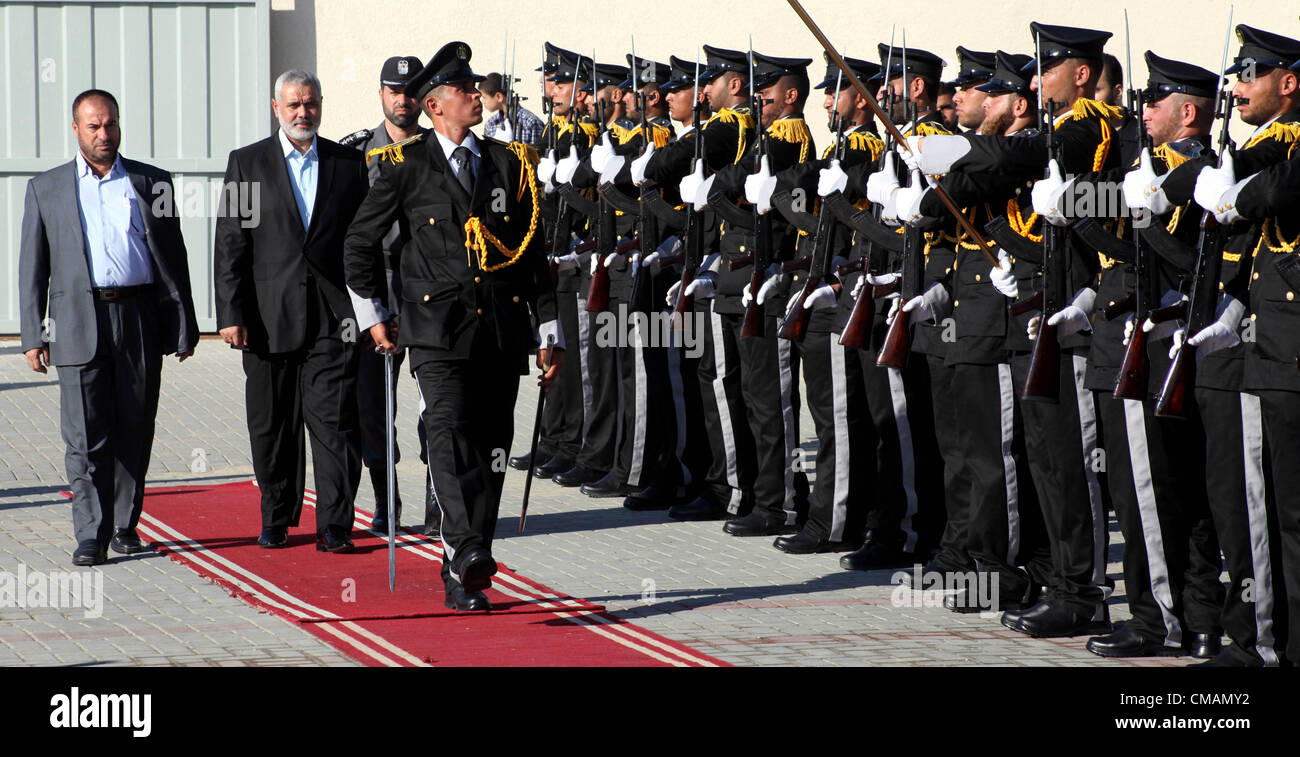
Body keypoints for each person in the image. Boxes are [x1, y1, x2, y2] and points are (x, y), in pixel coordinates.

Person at [344, 41, 563, 613]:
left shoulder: (509, 163)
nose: (476, 96)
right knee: (445, 433)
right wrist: (374, 317)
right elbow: (360, 244)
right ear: (436, 105)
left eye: (474, 89)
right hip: (434, 330)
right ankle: (464, 545)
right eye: (466, 90)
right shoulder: (403, 166)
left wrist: (549, 331)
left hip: (501, 330)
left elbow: (532, 255)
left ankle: (468, 566)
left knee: (492, 446)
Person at [19, 89, 200, 566]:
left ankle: (124, 525)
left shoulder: (150, 182)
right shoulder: (47, 188)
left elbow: (173, 257)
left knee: (135, 427)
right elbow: (32, 268)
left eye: (111, 125)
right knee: (84, 434)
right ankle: (90, 534)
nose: (104, 134)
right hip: (78, 320)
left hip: (137, 317)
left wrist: (184, 323)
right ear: (76, 129)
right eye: (94, 126)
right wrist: (34, 335)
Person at [213, 69, 369, 554]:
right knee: (272, 424)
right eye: (295, 105)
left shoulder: (348, 164)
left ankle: (335, 525)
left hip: (332, 316)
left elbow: (363, 243)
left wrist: (372, 308)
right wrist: (229, 313)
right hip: (265, 317)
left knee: (335, 424)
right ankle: (277, 517)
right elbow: (229, 244)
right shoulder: (247, 163)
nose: (304, 113)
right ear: (276, 108)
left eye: (312, 104)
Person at [338, 55, 440, 538]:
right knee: (374, 411)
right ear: (380, 94)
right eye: (393, 91)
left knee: (437, 407)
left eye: (410, 91)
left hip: (431, 297)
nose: (403, 100)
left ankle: (442, 504)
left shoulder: (440, 149)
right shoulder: (355, 153)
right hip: (375, 296)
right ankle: (386, 500)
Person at [480, 71, 545, 146]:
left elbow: (537, 154)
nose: (482, 101)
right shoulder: (490, 124)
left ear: (499, 97)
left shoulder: (530, 123)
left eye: (484, 97)